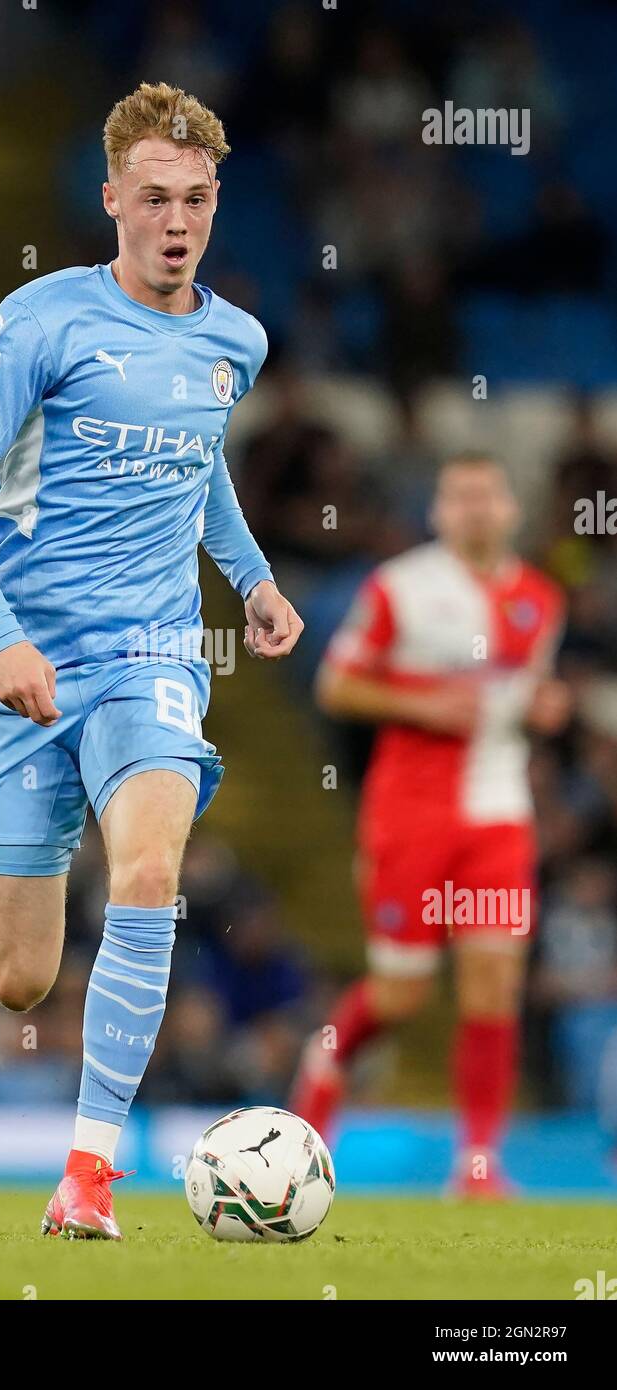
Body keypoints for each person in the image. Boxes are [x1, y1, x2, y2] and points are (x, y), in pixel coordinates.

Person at [0, 81, 303, 1238]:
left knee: (147, 875)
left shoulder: (238, 340)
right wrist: (5, 640)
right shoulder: (41, 321)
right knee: (20, 977)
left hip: (153, 654)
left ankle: (88, 1176)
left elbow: (200, 464)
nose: (175, 221)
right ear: (111, 201)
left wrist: (253, 576)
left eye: (194, 200)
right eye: (152, 200)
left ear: (216, 203)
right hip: (29, 662)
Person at [289, 453, 568, 1196]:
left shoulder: (540, 599)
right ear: (439, 512)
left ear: (508, 508)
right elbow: (337, 682)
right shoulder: (401, 588)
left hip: (498, 814)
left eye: (486, 496)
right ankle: (318, 1081)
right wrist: (425, 704)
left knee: (492, 983)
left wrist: (543, 708)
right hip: (408, 817)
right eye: (459, 498)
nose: (474, 510)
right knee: (400, 995)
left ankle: (477, 1163)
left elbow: (519, 697)